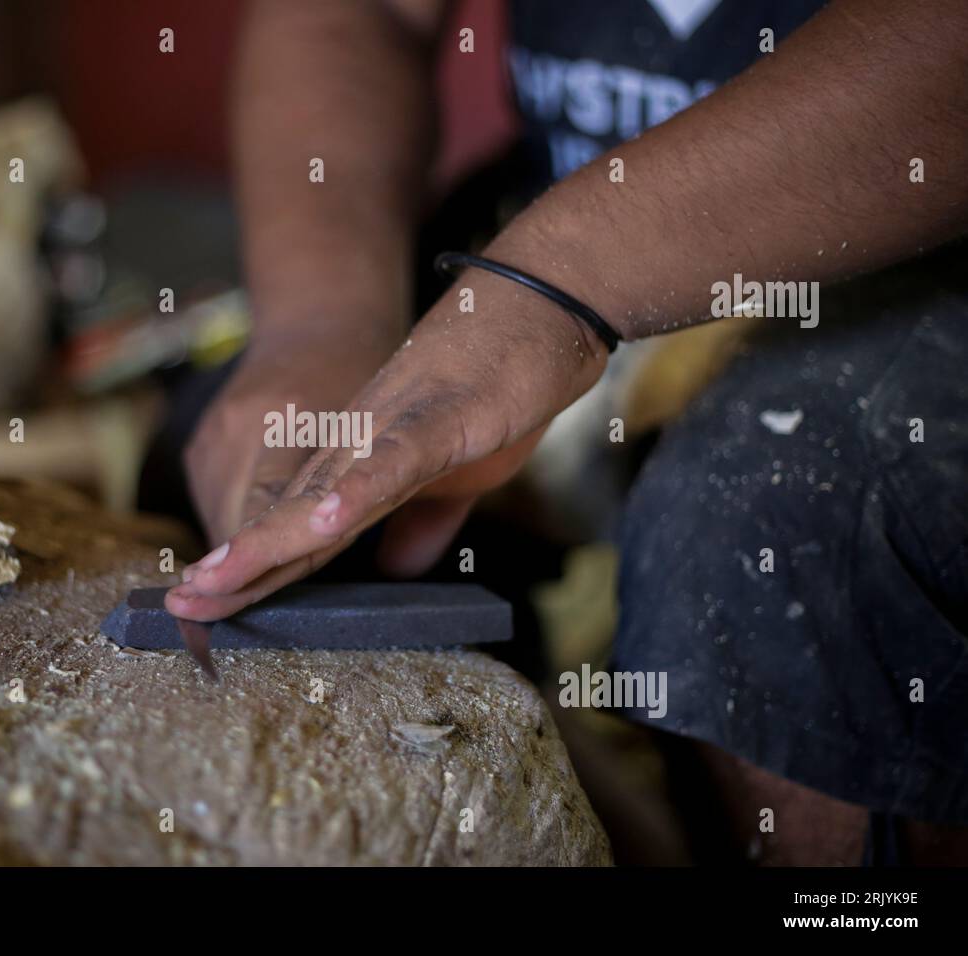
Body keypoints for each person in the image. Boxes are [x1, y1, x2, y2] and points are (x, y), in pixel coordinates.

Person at [165, 0, 968, 864]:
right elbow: (367, 16)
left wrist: (552, 295)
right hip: (556, 234)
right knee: (252, 465)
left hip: (910, 235)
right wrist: (321, 327)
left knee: (762, 530)